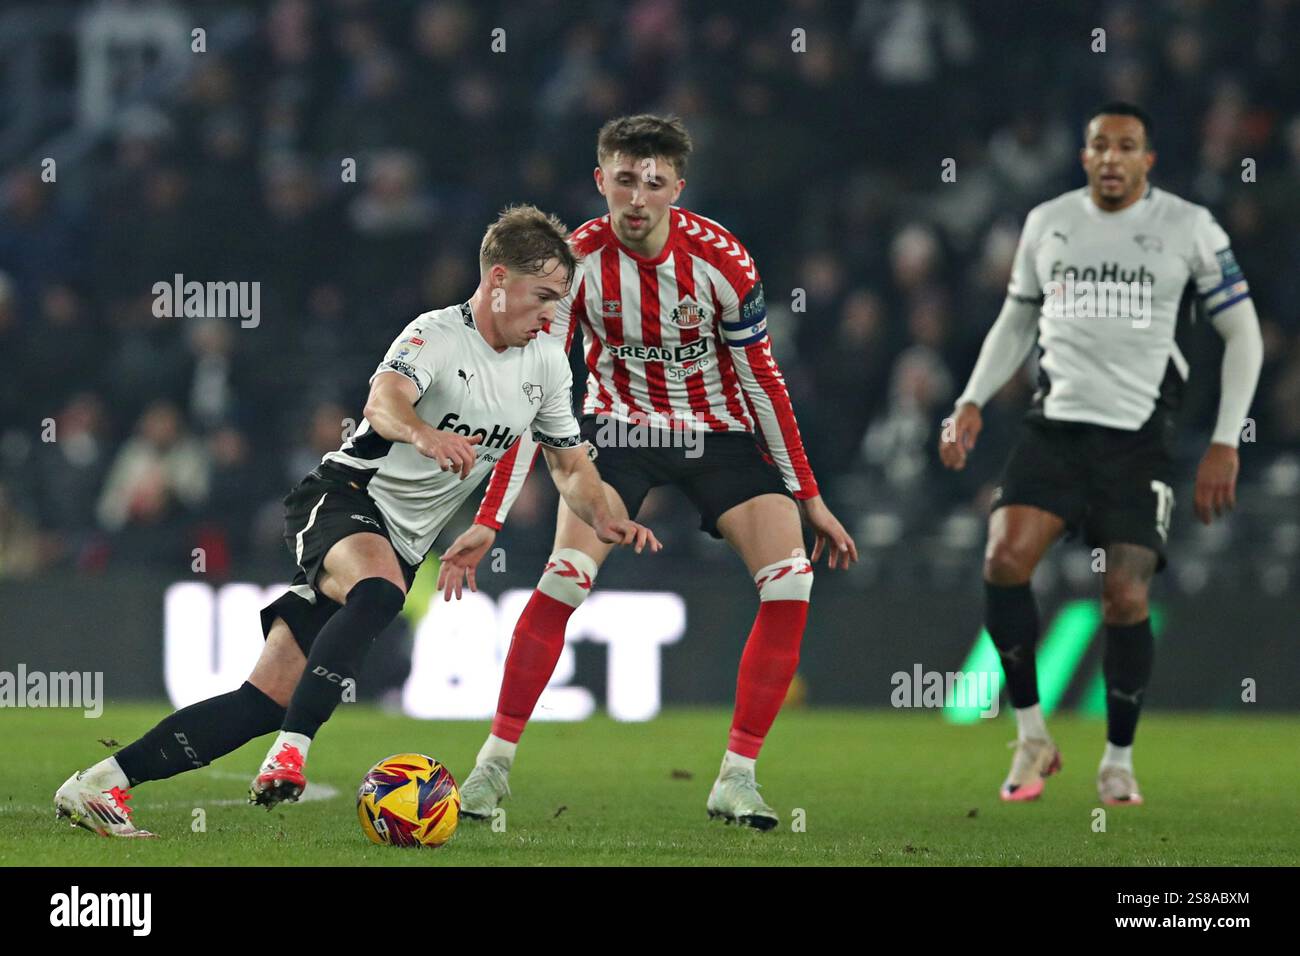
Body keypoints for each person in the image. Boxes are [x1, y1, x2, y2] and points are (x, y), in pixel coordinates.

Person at [54, 205, 659, 837]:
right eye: (544, 297)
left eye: (561, 301)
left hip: (401, 540)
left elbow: (570, 468)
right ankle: (292, 751)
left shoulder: (546, 365)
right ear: (499, 279)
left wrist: (607, 514)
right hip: (341, 497)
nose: (551, 315)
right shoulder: (435, 334)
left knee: (261, 700)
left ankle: (101, 784)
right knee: (378, 594)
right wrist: (423, 434)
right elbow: (384, 401)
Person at [435, 115, 859, 830]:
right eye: (624, 180)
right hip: (616, 432)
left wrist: (808, 495)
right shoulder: (572, 265)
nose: (637, 198)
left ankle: (736, 777)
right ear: (601, 181)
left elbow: (764, 383)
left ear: (677, 189)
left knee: (791, 579)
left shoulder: (724, 262)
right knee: (563, 577)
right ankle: (491, 769)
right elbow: (535, 391)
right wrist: (488, 519)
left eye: (653, 183)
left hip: (717, 433)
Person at [939, 103, 1263, 805]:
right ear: (1083, 156)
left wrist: (1224, 441)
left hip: (1139, 442)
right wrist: (970, 398)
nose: (1112, 157)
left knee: (1124, 595)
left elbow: (1245, 335)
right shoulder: (1047, 221)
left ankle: (1118, 757)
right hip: (1053, 429)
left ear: (1148, 160)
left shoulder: (1188, 227)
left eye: (1127, 146)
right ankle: (1030, 735)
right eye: (1099, 146)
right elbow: (1017, 317)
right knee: (1002, 558)